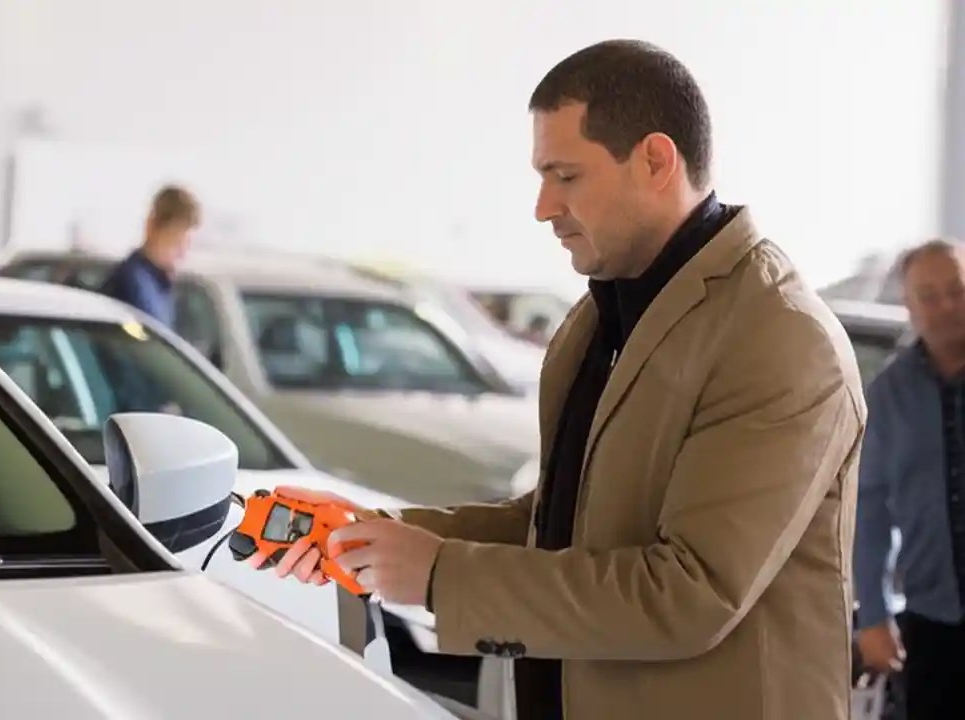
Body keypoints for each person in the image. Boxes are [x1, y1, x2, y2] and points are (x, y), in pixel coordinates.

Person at [250, 39, 867, 720]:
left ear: (656, 161)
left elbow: (689, 593)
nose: (543, 206)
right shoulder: (604, 314)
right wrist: (378, 538)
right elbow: (560, 524)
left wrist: (435, 575)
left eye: (565, 176)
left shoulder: (776, 338)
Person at [855, 237, 965, 718]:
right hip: (931, 622)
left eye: (957, 290)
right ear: (909, 304)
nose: (945, 306)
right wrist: (874, 617)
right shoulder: (886, 396)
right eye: (929, 295)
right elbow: (870, 511)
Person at [96, 184, 200, 328]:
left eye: (186, 244)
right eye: (175, 241)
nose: (181, 253)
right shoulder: (133, 282)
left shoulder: (159, 285)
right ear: (152, 227)